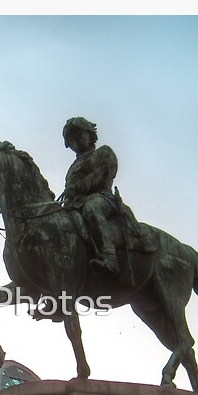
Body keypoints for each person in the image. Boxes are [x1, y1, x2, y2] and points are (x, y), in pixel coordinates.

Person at [60, 117, 121, 277]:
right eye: (71, 139)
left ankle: (110, 257)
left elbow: (103, 173)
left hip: (102, 198)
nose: (76, 141)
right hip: (74, 204)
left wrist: (77, 187)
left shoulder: (103, 152)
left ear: (89, 134)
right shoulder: (72, 168)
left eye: (79, 135)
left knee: (91, 208)